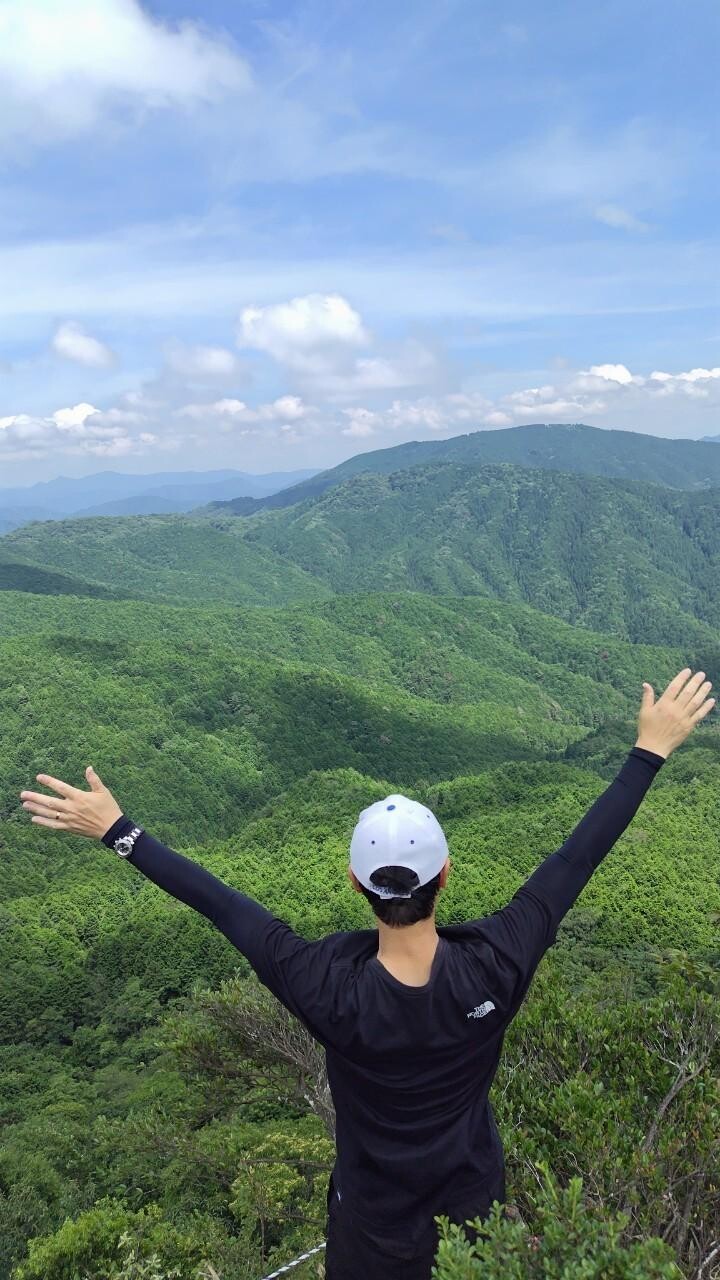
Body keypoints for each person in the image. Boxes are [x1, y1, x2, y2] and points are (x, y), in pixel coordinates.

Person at [19, 667, 714, 1279]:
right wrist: (650, 750)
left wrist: (119, 830)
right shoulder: (497, 966)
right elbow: (575, 861)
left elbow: (223, 906)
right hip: (477, 1224)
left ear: (356, 885)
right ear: (445, 874)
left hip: (369, 1238)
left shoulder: (326, 988)